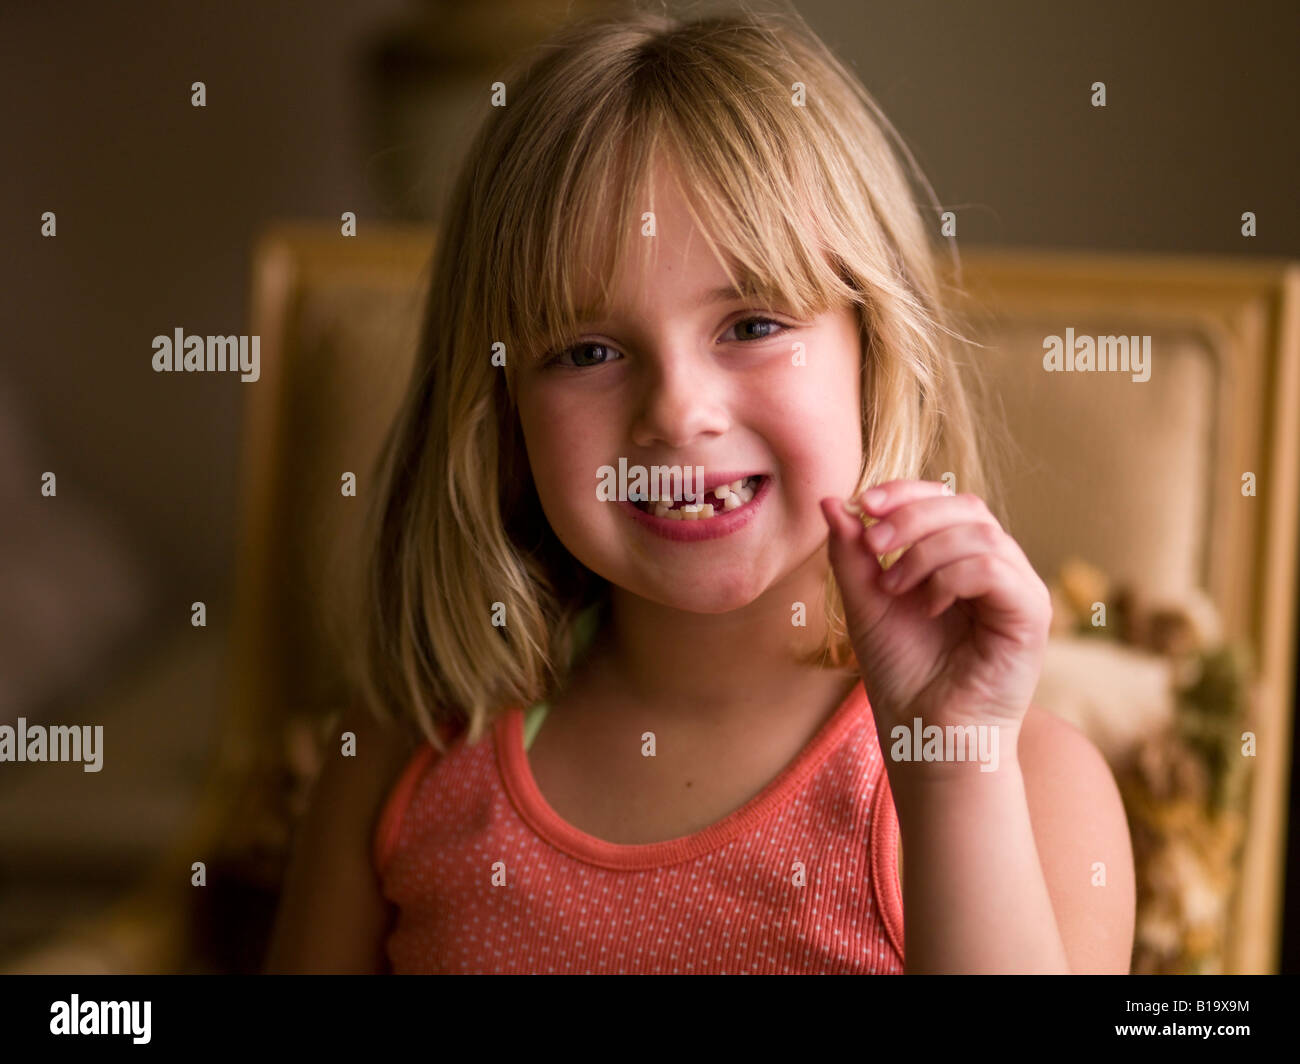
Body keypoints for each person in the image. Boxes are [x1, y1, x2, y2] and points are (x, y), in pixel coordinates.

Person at [265, 3, 1134, 975]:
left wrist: (951, 767)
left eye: (751, 325)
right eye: (587, 350)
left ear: (875, 351)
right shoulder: (403, 754)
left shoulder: (1022, 779)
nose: (676, 413)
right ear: (501, 410)